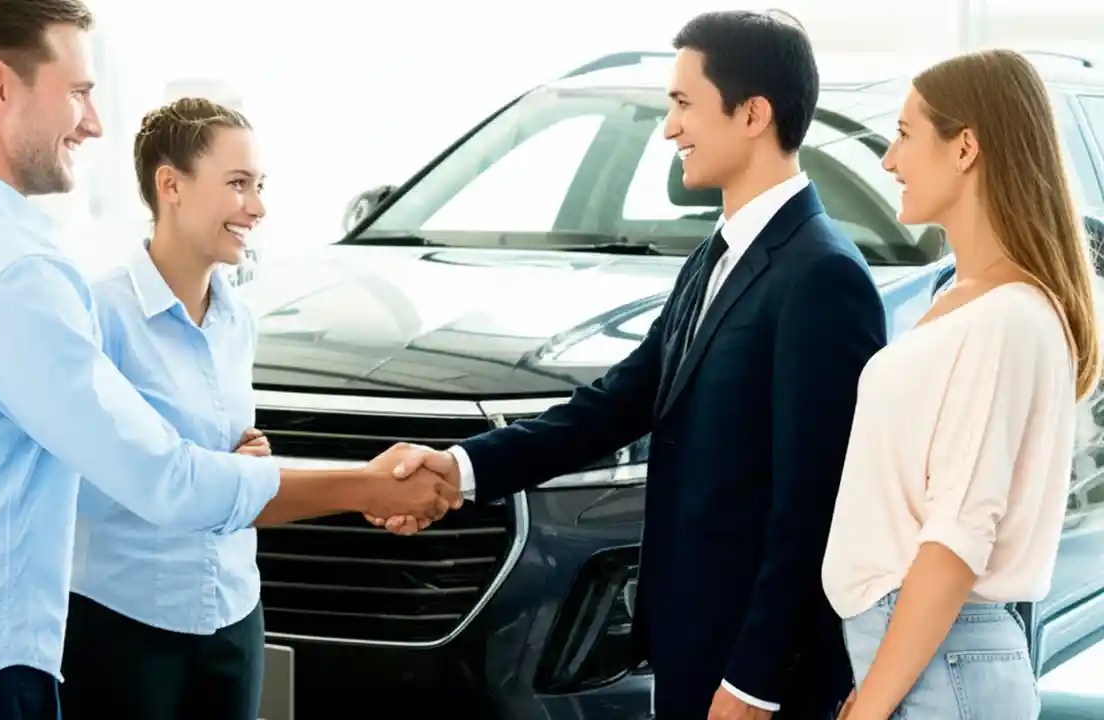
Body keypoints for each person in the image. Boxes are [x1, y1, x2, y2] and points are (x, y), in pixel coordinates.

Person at [0, 2, 458, 718]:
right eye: (78, 92)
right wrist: (366, 485)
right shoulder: (17, 273)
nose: (93, 123)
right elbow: (163, 481)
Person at [372, 10, 885, 719]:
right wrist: (459, 468)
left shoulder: (823, 277)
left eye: (682, 105)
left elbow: (813, 507)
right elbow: (614, 406)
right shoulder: (718, 255)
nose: (669, 129)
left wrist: (754, 682)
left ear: (753, 114)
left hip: (750, 677)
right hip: (687, 646)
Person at [823, 49, 1100, 720]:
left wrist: (869, 709)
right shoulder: (961, 299)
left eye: (905, 134)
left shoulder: (1007, 318)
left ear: (966, 147)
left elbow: (957, 537)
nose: (888, 161)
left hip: (941, 658)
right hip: (925, 655)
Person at [58, 97, 274, 720]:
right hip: (126, 621)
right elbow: (79, 482)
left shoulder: (240, 318)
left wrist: (239, 462)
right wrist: (212, 472)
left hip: (235, 611)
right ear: (170, 184)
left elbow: (233, 454)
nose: (256, 207)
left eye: (259, 186)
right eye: (238, 185)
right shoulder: (98, 314)